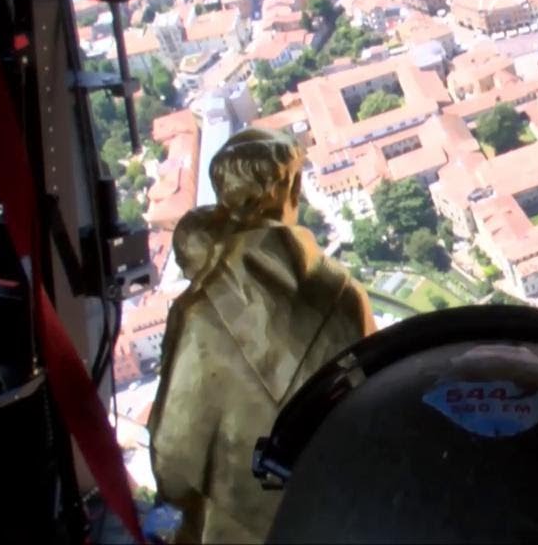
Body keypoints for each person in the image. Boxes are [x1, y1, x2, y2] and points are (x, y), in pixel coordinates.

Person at [149, 128, 374, 543]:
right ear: (293, 189)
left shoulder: (198, 312)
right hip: (335, 517)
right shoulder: (344, 293)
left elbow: (172, 462)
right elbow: (373, 415)